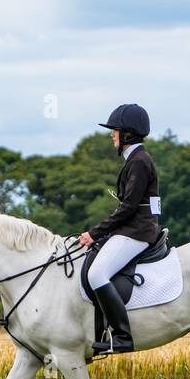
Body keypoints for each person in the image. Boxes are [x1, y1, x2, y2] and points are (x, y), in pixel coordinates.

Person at [78, 103, 161, 354]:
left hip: (137, 231)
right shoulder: (135, 159)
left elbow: (128, 208)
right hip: (133, 228)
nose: (111, 134)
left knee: (96, 275)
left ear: (127, 134)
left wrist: (94, 233)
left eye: (115, 130)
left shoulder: (138, 161)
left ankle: (123, 336)